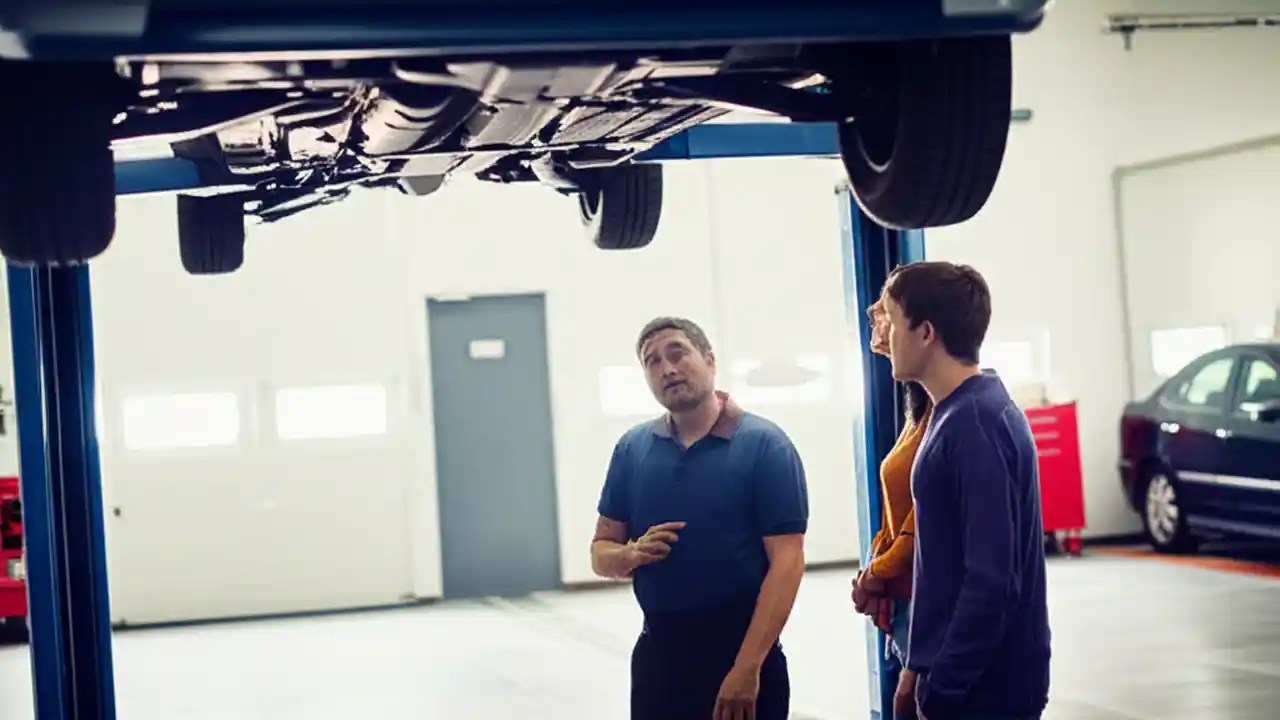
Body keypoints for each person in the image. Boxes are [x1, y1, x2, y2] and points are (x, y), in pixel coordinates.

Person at [590, 316, 809, 720]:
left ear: (709, 361)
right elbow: (600, 552)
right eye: (652, 362)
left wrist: (746, 668)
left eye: (677, 354)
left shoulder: (765, 445)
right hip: (660, 661)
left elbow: (788, 562)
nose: (667, 368)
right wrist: (632, 554)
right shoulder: (632, 449)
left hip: (742, 654)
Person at [879, 262, 1051, 720]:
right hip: (956, 675)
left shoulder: (974, 424)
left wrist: (944, 690)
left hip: (985, 688)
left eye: (893, 321)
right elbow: (941, 564)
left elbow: (991, 579)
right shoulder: (956, 413)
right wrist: (916, 667)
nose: (885, 334)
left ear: (926, 333)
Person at [852, 298, 933, 720]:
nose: (872, 313)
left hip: (927, 604)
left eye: (886, 307)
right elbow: (895, 512)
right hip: (905, 598)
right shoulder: (915, 407)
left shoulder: (945, 413)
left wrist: (874, 572)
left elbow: (920, 523)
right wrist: (878, 569)